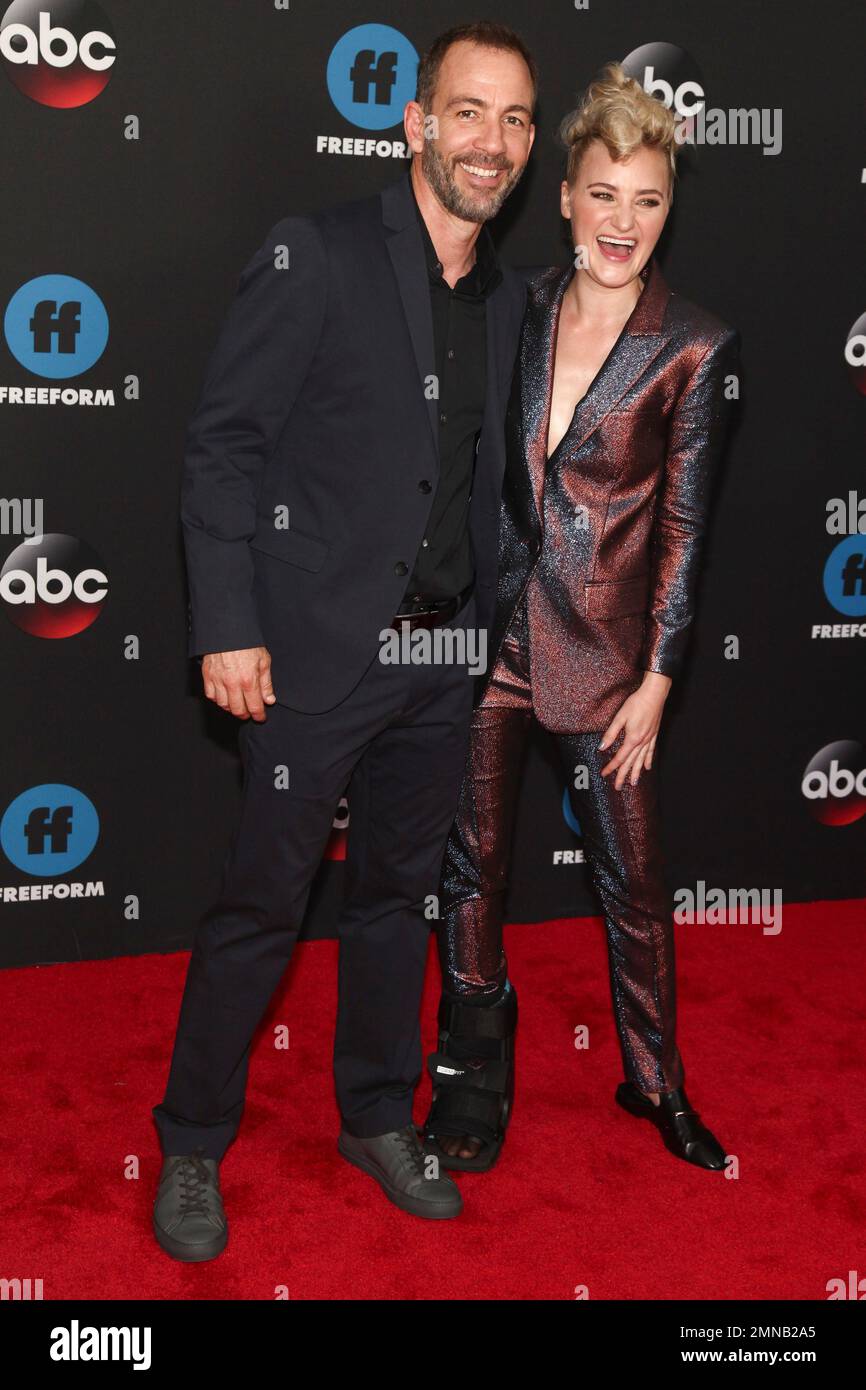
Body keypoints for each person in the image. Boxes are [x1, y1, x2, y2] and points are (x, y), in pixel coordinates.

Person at [151, 21, 537, 1260]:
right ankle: (193, 1141)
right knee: (259, 905)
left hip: (439, 665)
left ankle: (374, 1113)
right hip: (311, 655)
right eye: (468, 113)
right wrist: (228, 623)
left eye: (515, 120)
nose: (492, 141)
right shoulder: (313, 255)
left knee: (393, 901)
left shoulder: (507, 301)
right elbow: (223, 449)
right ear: (414, 123)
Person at [424, 62, 740, 1175]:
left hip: (606, 662)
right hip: (488, 640)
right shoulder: (511, 305)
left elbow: (684, 528)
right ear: (562, 195)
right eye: (603, 193)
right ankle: (470, 1077)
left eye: (646, 200)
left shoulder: (692, 344)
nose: (622, 221)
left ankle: (653, 1082)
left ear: (666, 210)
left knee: (633, 884)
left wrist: (656, 679)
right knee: (470, 870)